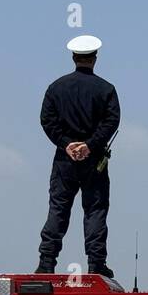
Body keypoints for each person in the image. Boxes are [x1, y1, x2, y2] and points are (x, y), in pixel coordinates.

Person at [36, 34, 121, 277]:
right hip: (94, 161)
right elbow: (111, 121)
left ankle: (46, 262)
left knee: (58, 208)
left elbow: (47, 120)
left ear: (74, 57)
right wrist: (90, 145)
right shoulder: (106, 89)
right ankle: (96, 264)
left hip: (64, 161)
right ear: (95, 59)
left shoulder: (56, 88)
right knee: (95, 210)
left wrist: (66, 144)